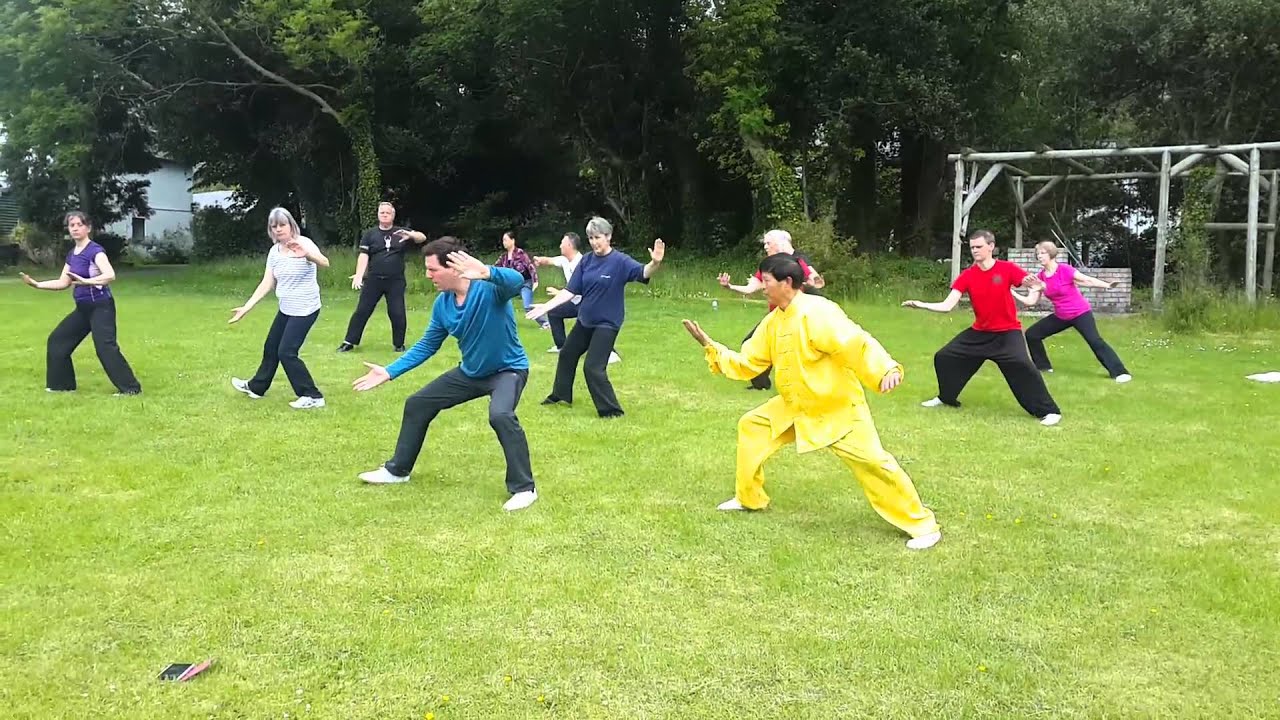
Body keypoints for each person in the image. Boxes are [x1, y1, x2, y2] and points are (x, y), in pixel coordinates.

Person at [683, 254, 941, 550]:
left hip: (837, 408)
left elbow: (855, 341)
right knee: (753, 426)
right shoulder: (773, 321)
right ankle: (749, 498)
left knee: (874, 463)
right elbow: (749, 362)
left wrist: (885, 369)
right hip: (795, 405)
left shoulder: (819, 312)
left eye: (766, 281)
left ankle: (923, 526)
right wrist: (711, 346)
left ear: (787, 283)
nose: (762, 287)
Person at [351, 237, 538, 512]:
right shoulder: (443, 305)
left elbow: (515, 280)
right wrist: (390, 371)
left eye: (433, 270)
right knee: (418, 404)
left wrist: (488, 271)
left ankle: (524, 488)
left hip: (508, 370)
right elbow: (428, 344)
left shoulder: (489, 289)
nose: (428, 276)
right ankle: (397, 471)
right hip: (471, 373)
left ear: (453, 268)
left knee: (500, 415)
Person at [902, 229, 1063, 426]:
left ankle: (1049, 411)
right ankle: (946, 397)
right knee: (944, 357)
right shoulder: (967, 276)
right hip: (979, 333)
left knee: (1024, 367)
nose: (975, 251)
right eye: (972, 248)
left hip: (1007, 333)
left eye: (979, 247)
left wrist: (1037, 288)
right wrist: (922, 304)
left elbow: (1034, 288)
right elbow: (947, 305)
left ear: (991, 247)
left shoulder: (1007, 269)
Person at [526, 217, 665, 418]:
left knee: (593, 368)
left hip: (607, 324)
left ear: (608, 237)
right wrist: (546, 307)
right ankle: (561, 395)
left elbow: (643, 272)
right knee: (567, 354)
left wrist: (655, 262)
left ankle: (612, 411)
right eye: (591, 238)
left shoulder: (620, 261)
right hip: (585, 320)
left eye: (598, 237)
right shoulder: (586, 261)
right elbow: (569, 291)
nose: (594, 242)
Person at [20, 211, 142, 395]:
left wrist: (87, 281)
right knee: (57, 341)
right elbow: (63, 282)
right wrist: (37, 284)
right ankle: (62, 386)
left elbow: (110, 275)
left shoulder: (95, 251)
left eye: (79, 224)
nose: (75, 228)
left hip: (101, 307)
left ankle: (131, 389)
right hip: (83, 309)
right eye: (72, 225)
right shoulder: (72, 255)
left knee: (105, 348)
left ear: (88, 228)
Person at [229, 207, 330, 409]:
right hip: (287, 308)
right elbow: (267, 283)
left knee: (287, 352)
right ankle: (257, 387)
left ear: (291, 225)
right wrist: (247, 308)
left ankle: (312, 396)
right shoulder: (274, 252)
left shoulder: (304, 243)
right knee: (272, 348)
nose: (278, 229)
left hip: (305, 309)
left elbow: (325, 262)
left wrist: (307, 256)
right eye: (274, 226)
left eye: (282, 225)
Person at [717, 228, 825, 390]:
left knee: (801, 348)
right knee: (750, 342)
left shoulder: (798, 260)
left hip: (797, 314)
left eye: (769, 243)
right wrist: (729, 286)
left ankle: (809, 382)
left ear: (781, 243)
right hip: (775, 315)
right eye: (765, 244)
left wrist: (813, 280)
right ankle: (760, 384)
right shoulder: (768, 266)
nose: (765, 247)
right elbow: (750, 288)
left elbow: (815, 280)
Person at [1012, 241, 1132, 383]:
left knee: (1095, 341)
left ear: (1051, 254)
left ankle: (1120, 373)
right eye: (1038, 254)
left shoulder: (1065, 269)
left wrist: (1107, 285)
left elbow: (1087, 280)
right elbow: (1030, 302)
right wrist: (1011, 292)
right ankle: (1043, 367)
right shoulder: (1041, 277)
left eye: (1042, 253)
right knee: (1032, 334)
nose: (1039, 256)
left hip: (1080, 313)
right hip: (1061, 316)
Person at [338, 202, 427, 353]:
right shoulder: (370, 234)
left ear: (393, 215)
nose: (385, 215)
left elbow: (422, 238)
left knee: (397, 312)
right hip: (373, 280)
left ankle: (399, 344)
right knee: (362, 310)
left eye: (388, 213)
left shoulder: (401, 232)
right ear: (378, 215)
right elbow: (364, 255)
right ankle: (349, 342)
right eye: (382, 213)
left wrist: (411, 235)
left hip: (395, 280)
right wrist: (359, 275)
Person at [495, 230, 550, 330]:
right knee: (498, 300)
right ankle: (500, 324)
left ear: (512, 241)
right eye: (503, 240)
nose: (504, 243)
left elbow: (530, 267)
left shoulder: (520, 254)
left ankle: (546, 323)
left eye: (506, 240)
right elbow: (495, 269)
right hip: (511, 285)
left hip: (525, 283)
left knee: (527, 306)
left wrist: (535, 281)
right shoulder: (503, 257)